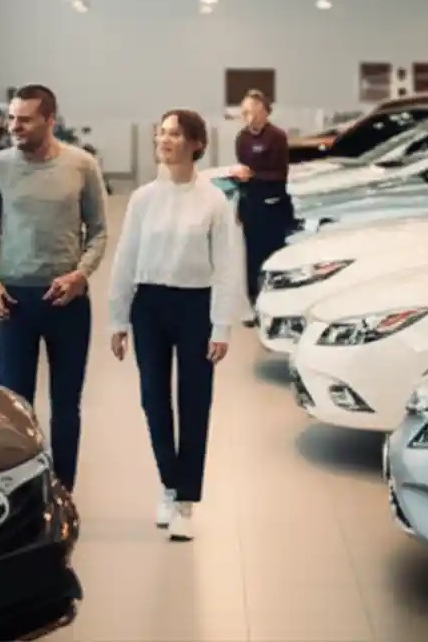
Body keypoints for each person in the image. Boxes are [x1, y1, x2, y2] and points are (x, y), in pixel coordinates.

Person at [108, 109, 243, 542]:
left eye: (174, 135)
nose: (164, 141)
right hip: (149, 304)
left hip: (195, 306)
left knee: (194, 401)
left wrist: (221, 325)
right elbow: (126, 257)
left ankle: (185, 499)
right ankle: (169, 482)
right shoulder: (143, 198)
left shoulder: (214, 201)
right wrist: (118, 316)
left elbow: (224, 267)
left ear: (196, 144)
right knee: (153, 398)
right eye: (161, 133)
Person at [0, 84, 109, 491]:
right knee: (14, 405)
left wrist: (81, 275)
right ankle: (18, 489)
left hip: (67, 299)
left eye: (24, 119)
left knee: (67, 406)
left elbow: (98, 232)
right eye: (11, 118)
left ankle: (63, 488)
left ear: (50, 119)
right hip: (13, 302)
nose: (14, 126)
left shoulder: (81, 165)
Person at [229, 90, 292, 324]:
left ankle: (277, 306)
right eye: (244, 113)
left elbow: (280, 174)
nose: (248, 118)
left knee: (273, 255)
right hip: (251, 205)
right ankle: (255, 305)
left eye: (252, 113)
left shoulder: (277, 137)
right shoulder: (242, 139)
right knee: (252, 258)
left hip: (273, 205)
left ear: (264, 112)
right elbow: (242, 170)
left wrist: (253, 175)